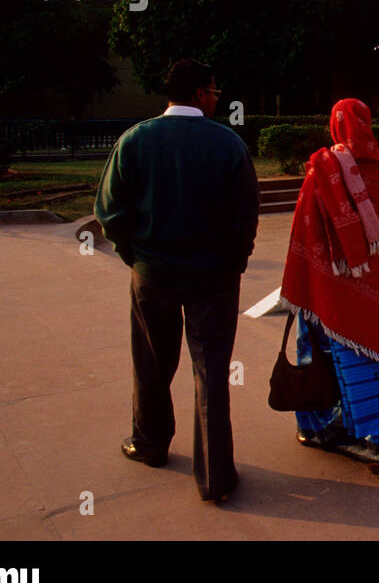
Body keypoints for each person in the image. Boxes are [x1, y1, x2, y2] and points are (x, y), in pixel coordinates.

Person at [94, 59, 259, 502]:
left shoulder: (135, 140)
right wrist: (235, 262)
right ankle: (214, 477)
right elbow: (245, 216)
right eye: (214, 91)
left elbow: (109, 212)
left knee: (151, 362)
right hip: (214, 278)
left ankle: (149, 445)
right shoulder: (227, 144)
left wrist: (136, 257)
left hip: (153, 274)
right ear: (201, 93)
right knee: (211, 372)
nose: (216, 98)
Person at [278, 98, 379, 484]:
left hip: (329, 287)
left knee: (322, 354)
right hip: (374, 283)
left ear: (335, 126)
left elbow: (306, 231)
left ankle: (321, 428)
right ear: (365, 124)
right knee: (373, 356)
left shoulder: (322, 169)